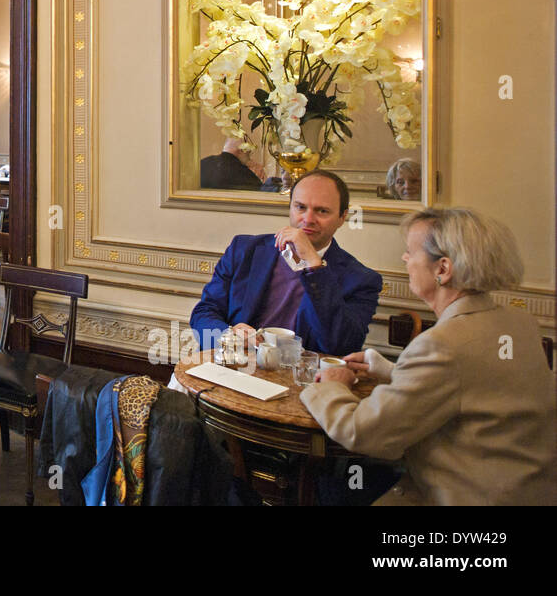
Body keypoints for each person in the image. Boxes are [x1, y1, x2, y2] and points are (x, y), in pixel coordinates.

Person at [302, 208, 557, 505]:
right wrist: (391, 371)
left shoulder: (442, 344)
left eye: (410, 252)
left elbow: (364, 434)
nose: (404, 259)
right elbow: (470, 385)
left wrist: (332, 384)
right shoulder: (518, 323)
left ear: (443, 269)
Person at [190, 170, 382, 356]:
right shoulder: (244, 250)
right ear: (290, 207)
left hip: (300, 381)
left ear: (342, 217)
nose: (308, 219)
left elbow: (341, 346)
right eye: (300, 207)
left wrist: (315, 267)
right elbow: (204, 313)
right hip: (235, 367)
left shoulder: (361, 280)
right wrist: (230, 337)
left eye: (322, 211)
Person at [199, 137, 266, 190]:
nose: (249, 158)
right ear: (242, 150)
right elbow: (260, 195)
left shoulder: (202, 164)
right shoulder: (244, 173)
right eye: (248, 153)